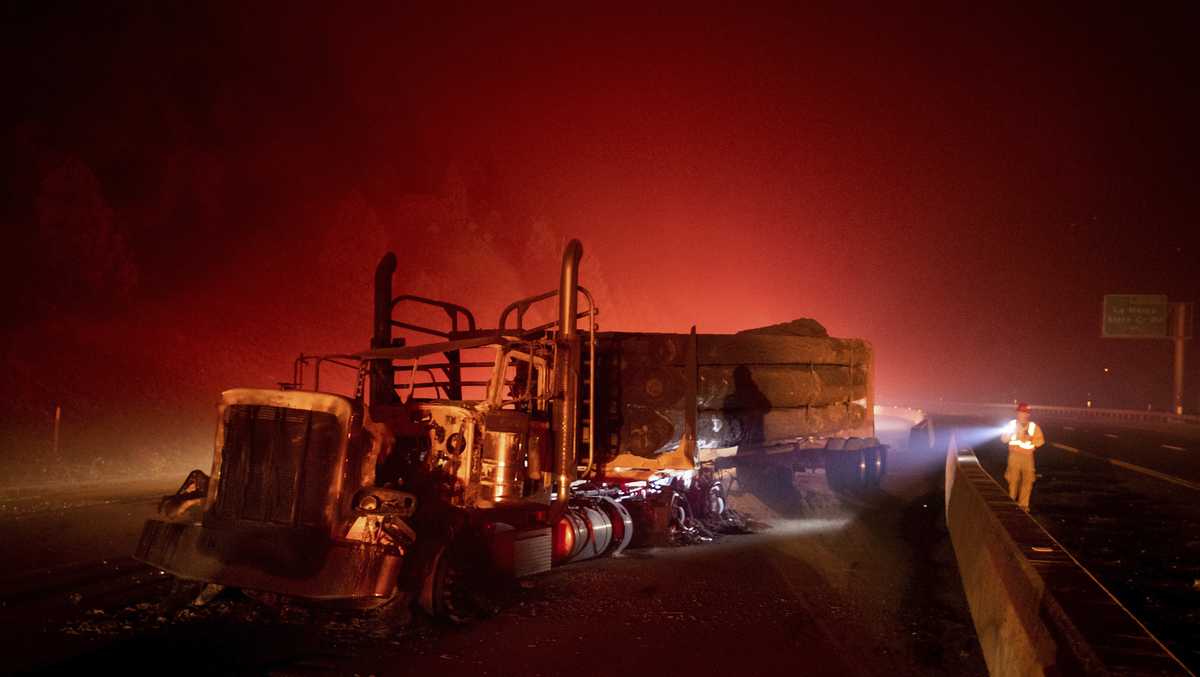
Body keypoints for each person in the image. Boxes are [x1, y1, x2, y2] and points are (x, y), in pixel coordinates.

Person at [1000, 402, 1045, 511]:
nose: (1023, 415)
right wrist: (1010, 434)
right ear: (1017, 413)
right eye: (1021, 412)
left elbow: (1040, 441)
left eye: (1025, 413)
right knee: (1013, 479)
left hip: (1028, 457)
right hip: (1014, 456)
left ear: (1028, 414)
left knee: (1028, 480)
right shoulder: (1011, 425)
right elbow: (1003, 439)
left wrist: (1032, 441)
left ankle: (1024, 505)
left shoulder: (1033, 427)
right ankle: (1011, 501)